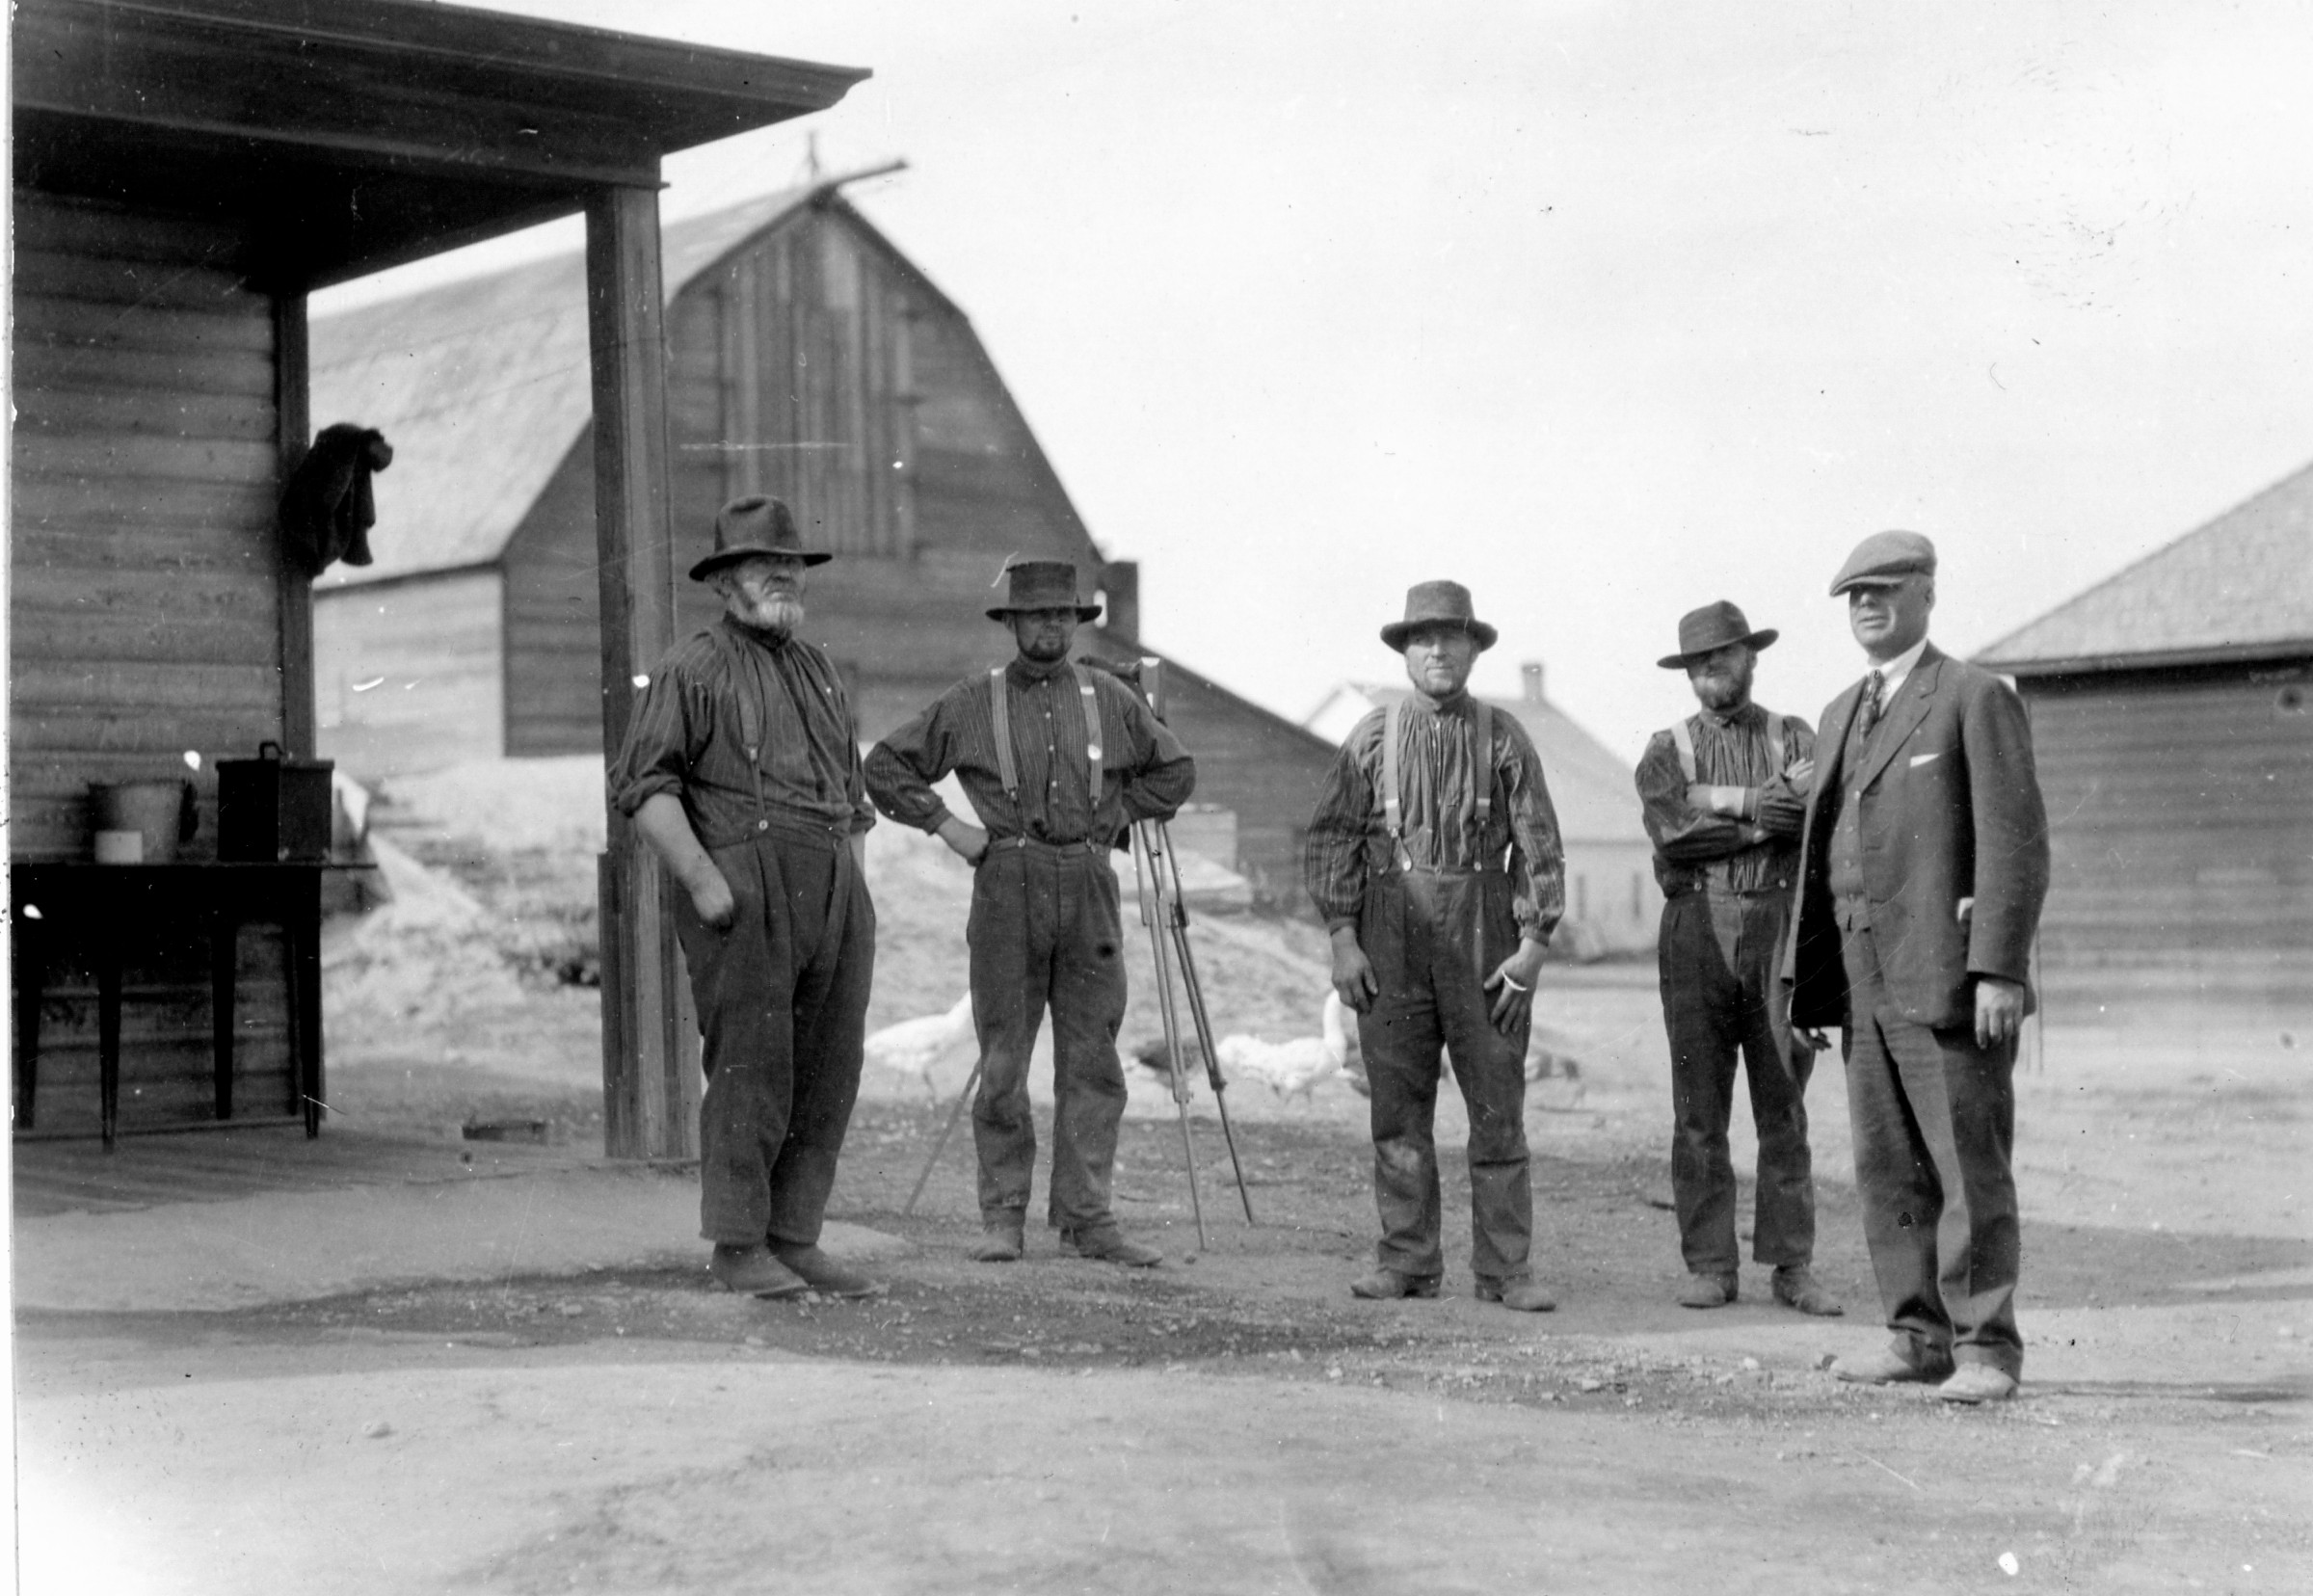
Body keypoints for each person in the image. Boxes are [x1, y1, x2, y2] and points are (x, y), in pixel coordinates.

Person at [864, 560, 1195, 1267]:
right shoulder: (971, 702)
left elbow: (1175, 770)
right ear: (1011, 624)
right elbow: (885, 767)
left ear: (1077, 625)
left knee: (1094, 1057)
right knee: (1005, 1056)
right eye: (1036, 614)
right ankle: (1003, 1218)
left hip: (1089, 881)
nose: (1050, 626)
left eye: (1063, 615)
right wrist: (950, 828)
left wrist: (1117, 814)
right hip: (1005, 878)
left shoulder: (1109, 696)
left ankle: (1088, 1218)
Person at [1783, 531, 2049, 1403]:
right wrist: (1803, 977)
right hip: (1860, 978)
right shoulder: (1836, 716)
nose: (1867, 604)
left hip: (1949, 975)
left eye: (1886, 589)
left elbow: (2014, 842)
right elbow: (1821, 849)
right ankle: (1914, 1335)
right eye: (1854, 594)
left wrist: (2001, 969)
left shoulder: (1973, 697)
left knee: (1969, 1162)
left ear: (1927, 595)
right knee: (1886, 1166)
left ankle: (1985, 1350)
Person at [608, 495, 881, 1301]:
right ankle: (736, 1246)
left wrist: (855, 896)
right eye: (765, 566)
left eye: (792, 565)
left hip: (831, 883)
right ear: (725, 581)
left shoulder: (819, 669)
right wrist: (702, 881)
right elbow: (643, 786)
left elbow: (852, 792)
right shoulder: (691, 667)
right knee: (752, 1071)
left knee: (829, 1071)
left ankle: (795, 1238)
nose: (784, 578)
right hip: (743, 887)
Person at [1304, 580, 1566, 1312]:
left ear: (1475, 650)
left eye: (1454, 637)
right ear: (1406, 652)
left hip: (1486, 936)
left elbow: (1540, 845)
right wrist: (1342, 940)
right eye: (1425, 639)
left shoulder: (1504, 735)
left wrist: (1533, 945)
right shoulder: (1372, 737)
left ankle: (1505, 1270)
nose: (1439, 650)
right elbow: (1331, 841)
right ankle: (1408, 1260)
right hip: (1388, 937)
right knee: (1397, 1111)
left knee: (1497, 1108)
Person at [1636, 601, 1843, 1317]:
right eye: (1699, 660)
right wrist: (1763, 819)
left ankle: (1792, 1266)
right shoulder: (1666, 749)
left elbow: (1813, 814)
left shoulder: (1795, 735)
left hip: (1780, 931)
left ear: (1750, 658)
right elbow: (1674, 835)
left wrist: (1721, 809)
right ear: (1687, 672)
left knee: (1784, 1104)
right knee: (1699, 1109)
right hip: (1696, 926)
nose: (1712, 668)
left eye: (1724, 655)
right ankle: (1710, 1264)